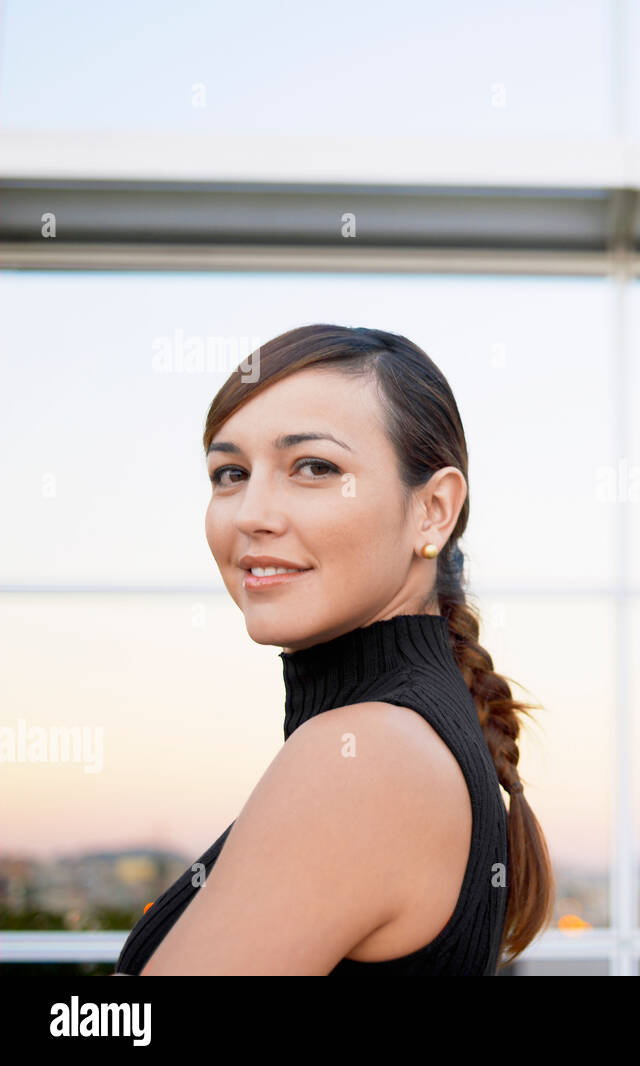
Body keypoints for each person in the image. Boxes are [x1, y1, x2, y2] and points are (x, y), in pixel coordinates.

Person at [113, 324, 554, 975]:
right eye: (229, 473)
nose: (251, 514)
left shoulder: (366, 756)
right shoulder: (403, 733)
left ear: (433, 510)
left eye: (315, 468)